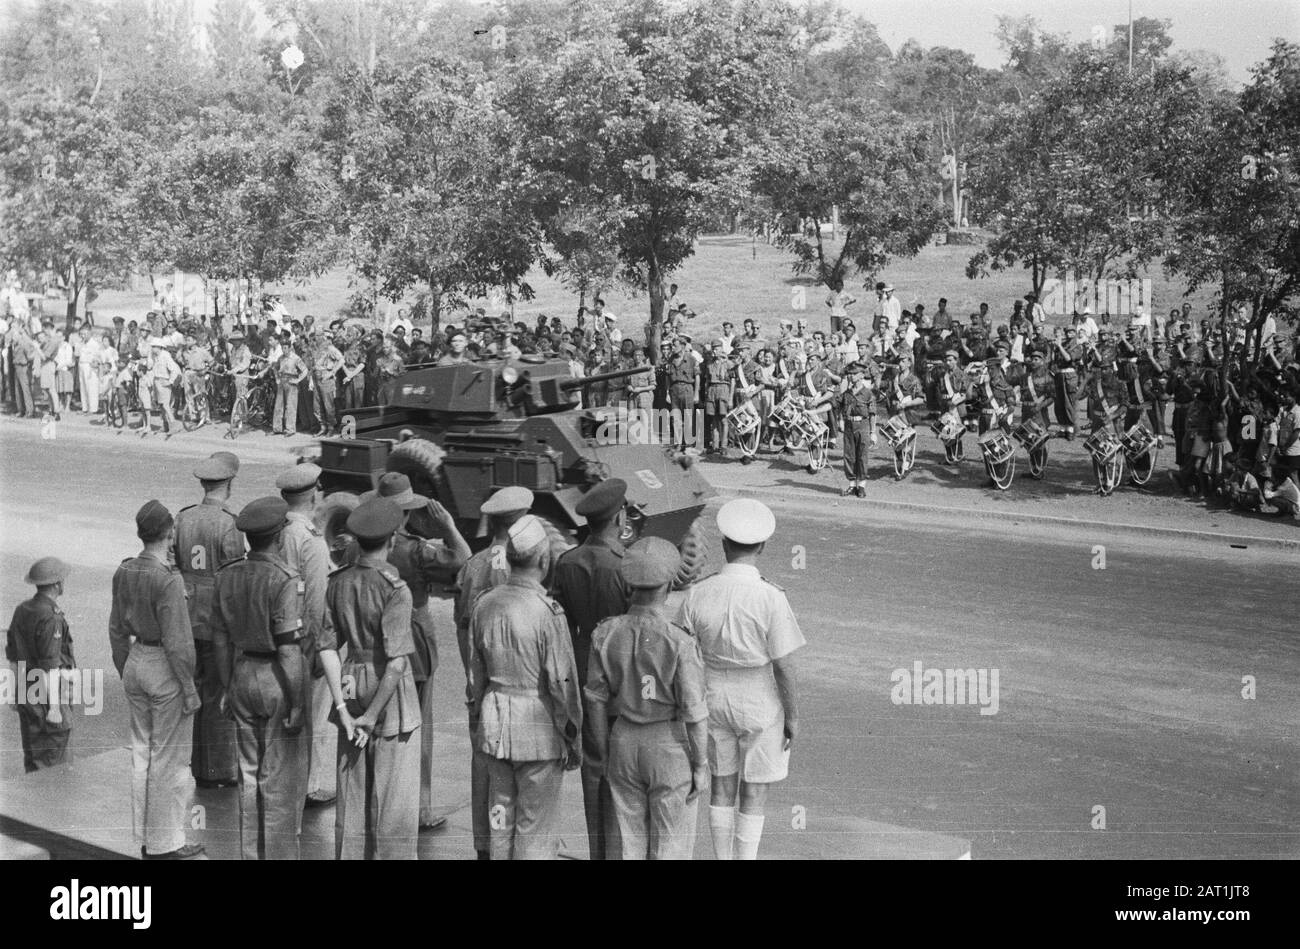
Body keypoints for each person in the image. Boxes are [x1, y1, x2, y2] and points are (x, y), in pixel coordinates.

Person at [677, 499, 803, 860]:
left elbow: (681, 650)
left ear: (723, 544)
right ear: (761, 546)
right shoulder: (770, 597)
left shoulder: (698, 592)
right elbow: (783, 665)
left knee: (721, 784)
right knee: (754, 790)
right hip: (759, 697)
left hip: (712, 693)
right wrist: (792, 715)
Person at [468, 514, 583, 860]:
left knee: (500, 820)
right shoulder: (548, 612)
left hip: (495, 728)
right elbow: (562, 684)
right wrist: (572, 736)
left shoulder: (484, 604)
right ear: (544, 561)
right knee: (535, 830)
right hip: (538, 732)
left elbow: (475, 677)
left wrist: (479, 720)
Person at [585, 538, 708, 860]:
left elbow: (595, 700)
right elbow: (694, 712)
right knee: (671, 844)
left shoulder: (605, 632)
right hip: (669, 744)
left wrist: (605, 750)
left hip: (623, 738)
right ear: (669, 583)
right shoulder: (678, 641)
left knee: (626, 843)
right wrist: (701, 764)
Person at [319, 498, 421, 860]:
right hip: (387, 694)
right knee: (394, 803)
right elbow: (396, 663)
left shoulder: (338, 582)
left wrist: (343, 707)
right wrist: (374, 713)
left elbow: (327, 648)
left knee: (351, 792)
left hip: (349, 680)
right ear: (392, 539)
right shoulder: (395, 588)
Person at [368, 472, 471, 830]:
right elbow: (463, 560)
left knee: (378, 720)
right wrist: (450, 527)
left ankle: (378, 804)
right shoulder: (416, 549)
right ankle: (420, 807)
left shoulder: (361, 543)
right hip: (413, 638)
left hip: (372, 639)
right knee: (418, 724)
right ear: (407, 513)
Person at [210, 497, 307, 860]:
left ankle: (251, 856)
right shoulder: (283, 579)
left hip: (240, 674)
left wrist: (226, 686)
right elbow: (288, 649)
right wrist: (297, 702)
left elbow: (219, 638)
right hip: (275, 679)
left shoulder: (227, 574)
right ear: (280, 534)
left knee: (248, 777)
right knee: (278, 781)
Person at [109, 500, 205, 859]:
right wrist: (190, 688)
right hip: (164, 666)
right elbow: (179, 642)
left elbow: (116, 629)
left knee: (141, 756)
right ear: (169, 533)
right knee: (171, 761)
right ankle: (169, 843)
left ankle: (146, 840)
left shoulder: (125, 570)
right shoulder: (168, 578)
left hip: (136, 659)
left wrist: (127, 668)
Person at [550, 478, 632, 859]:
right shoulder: (624, 565)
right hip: (619, 675)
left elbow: (560, 632)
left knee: (593, 770)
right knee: (620, 776)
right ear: (618, 517)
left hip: (583, 670)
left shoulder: (567, 562)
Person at [453, 486, 531, 860]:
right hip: (525, 690)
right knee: (526, 776)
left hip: (483, 688)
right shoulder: (528, 565)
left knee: (485, 774)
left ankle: (485, 847)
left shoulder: (473, 565)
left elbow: (461, 627)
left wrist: (473, 682)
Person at [174, 454, 245, 787]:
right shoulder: (229, 522)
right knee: (218, 692)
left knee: (194, 691)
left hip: (187, 616)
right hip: (217, 618)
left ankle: (197, 763)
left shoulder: (184, 517)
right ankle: (217, 768)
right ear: (228, 484)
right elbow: (234, 576)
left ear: (204, 484)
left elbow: (173, 563)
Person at [275, 463, 336, 809]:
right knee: (315, 714)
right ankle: (310, 785)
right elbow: (316, 599)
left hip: (282, 635)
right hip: (305, 639)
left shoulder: (278, 531)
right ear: (313, 494)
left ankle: (288, 780)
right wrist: (316, 649)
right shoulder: (310, 540)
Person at [6, 557, 76, 771]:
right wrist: (54, 708)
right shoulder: (51, 617)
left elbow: (13, 656)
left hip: (28, 693)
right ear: (56, 584)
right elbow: (50, 667)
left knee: (34, 759)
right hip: (47, 697)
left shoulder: (23, 609)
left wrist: (13, 694)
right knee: (54, 765)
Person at [836, 362, 874, 496]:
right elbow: (839, 406)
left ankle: (861, 485)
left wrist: (873, 432)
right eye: (849, 374)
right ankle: (852, 484)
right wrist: (840, 420)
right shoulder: (846, 393)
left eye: (854, 374)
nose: (851, 376)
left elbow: (872, 414)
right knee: (849, 455)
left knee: (862, 456)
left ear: (861, 375)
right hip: (849, 426)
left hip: (863, 426)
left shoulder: (867, 393)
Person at [272, 336, 308, 436]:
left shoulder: (296, 358)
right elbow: (275, 368)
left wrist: (298, 380)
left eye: (285, 348)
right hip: (282, 381)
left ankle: (290, 429)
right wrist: (277, 378)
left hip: (291, 383)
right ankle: (277, 428)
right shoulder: (281, 358)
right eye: (282, 348)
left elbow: (305, 370)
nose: (284, 350)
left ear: (290, 347)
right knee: (278, 406)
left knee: (291, 406)